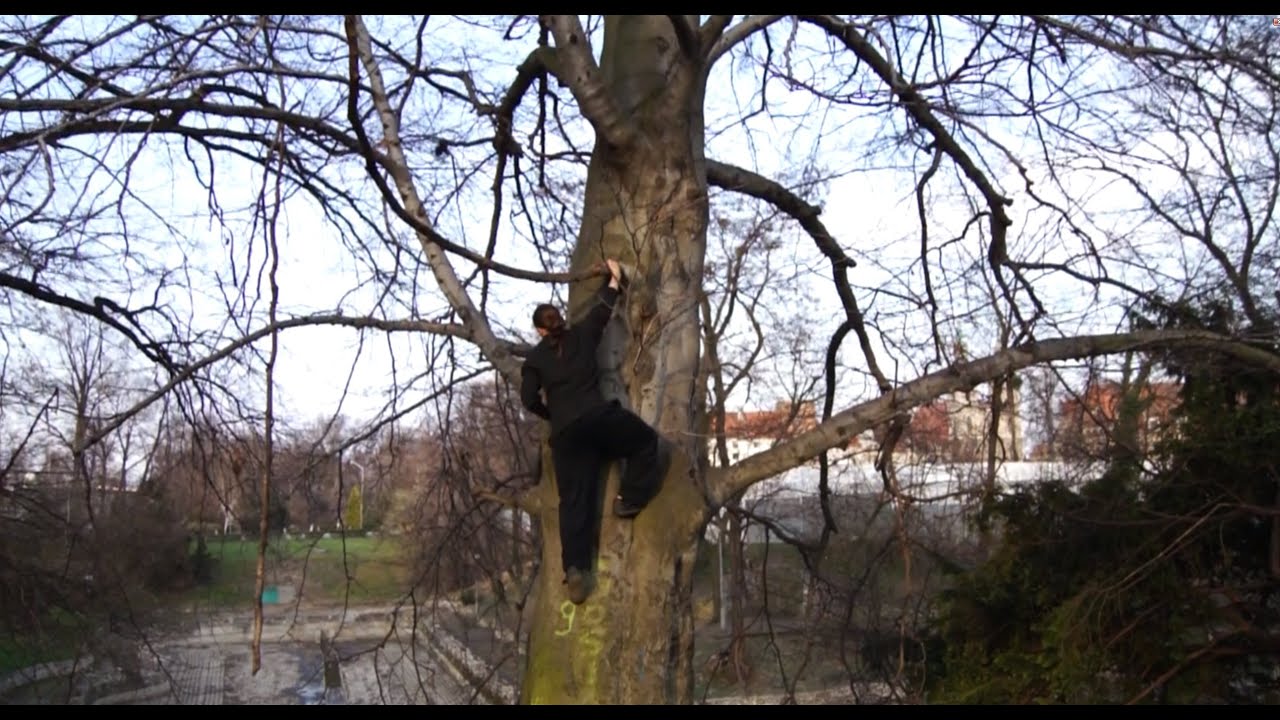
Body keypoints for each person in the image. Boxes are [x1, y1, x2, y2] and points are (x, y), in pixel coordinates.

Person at [520, 258, 670, 604]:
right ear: (559, 320)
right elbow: (604, 307)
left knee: (574, 502)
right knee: (644, 440)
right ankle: (629, 500)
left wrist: (551, 413)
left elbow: (528, 399)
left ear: (539, 331)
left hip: (566, 436)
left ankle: (575, 569)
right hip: (598, 419)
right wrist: (614, 278)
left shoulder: (535, 360)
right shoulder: (582, 334)